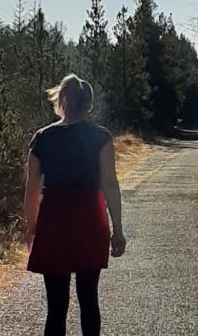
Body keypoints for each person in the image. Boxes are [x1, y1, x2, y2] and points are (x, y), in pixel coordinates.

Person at [24, 74, 127, 336]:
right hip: (90, 218)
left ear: (61, 100)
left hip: (54, 220)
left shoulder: (42, 138)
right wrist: (117, 229)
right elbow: (110, 183)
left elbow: (32, 187)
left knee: (56, 306)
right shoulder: (101, 137)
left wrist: (32, 225)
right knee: (89, 298)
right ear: (89, 103)